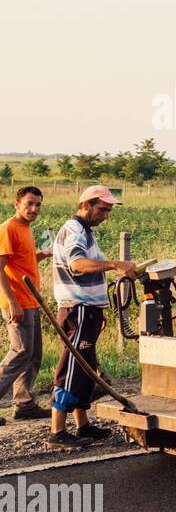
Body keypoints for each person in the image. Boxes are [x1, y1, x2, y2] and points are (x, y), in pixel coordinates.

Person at [49, 186, 138, 448]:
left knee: (85, 369)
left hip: (88, 310)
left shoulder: (85, 231)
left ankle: (83, 425)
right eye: (102, 209)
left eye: (108, 211)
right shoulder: (75, 230)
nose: (106, 216)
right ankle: (57, 432)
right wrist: (114, 264)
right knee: (71, 367)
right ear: (86, 204)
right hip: (79, 309)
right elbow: (77, 264)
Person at [0, 187, 53, 425]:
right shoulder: (9, 228)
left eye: (38, 205)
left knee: (33, 355)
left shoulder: (25, 229)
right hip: (17, 302)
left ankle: (24, 404)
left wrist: (45, 253)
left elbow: (23, 261)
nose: (34, 209)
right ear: (17, 203)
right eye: (29, 204)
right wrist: (12, 302)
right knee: (20, 352)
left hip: (30, 300)